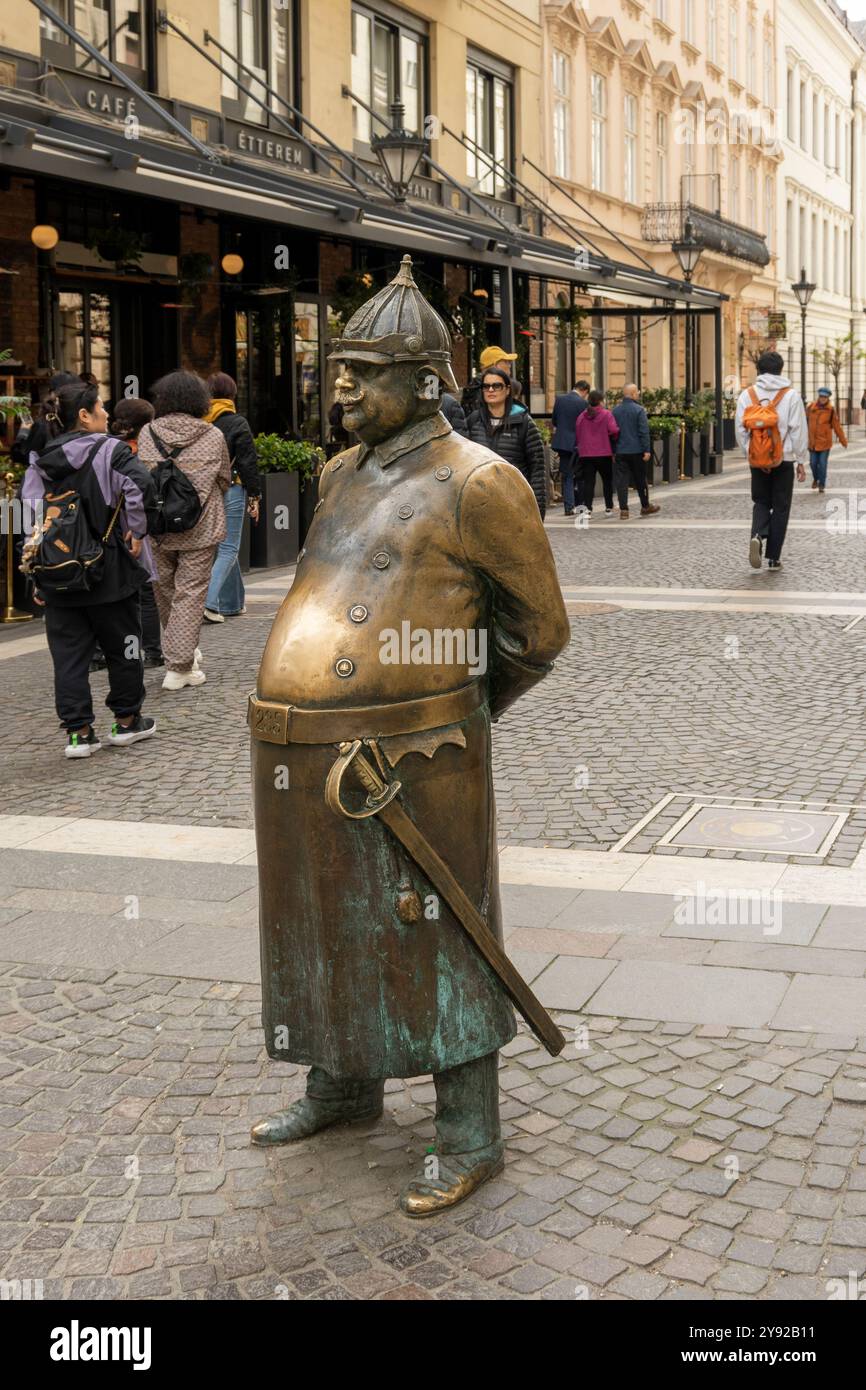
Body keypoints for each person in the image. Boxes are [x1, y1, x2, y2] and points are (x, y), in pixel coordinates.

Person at [248, 256, 570, 1216]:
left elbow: (538, 630)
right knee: (313, 919)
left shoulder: (482, 481)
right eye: (338, 366)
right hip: (302, 752)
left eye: (364, 370)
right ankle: (339, 1082)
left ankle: (469, 1129)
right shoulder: (343, 471)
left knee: (431, 930)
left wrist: (458, 711)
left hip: (418, 758)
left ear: (427, 381)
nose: (339, 384)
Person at [21, 382, 157, 758]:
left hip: (58, 574)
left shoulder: (39, 459)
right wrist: (137, 530)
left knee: (68, 655)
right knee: (124, 646)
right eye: (101, 407)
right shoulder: (110, 450)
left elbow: (28, 516)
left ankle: (79, 733)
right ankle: (127, 722)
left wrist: (34, 568)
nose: (107, 414)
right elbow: (141, 486)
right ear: (84, 415)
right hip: (108, 566)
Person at [137, 371, 230, 689]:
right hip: (200, 526)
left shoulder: (148, 432)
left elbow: (142, 477)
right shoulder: (213, 435)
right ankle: (179, 667)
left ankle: (181, 647)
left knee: (164, 589)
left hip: (158, 526)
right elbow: (224, 478)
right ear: (199, 400)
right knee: (190, 592)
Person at [735, 350, 807, 571]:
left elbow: (740, 428)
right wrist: (801, 459)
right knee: (781, 506)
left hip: (757, 460)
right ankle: (773, 557)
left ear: (759, 369)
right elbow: (798, 429)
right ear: (781, 369)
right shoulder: (791, 396)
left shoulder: (747, 394)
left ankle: (757, 534)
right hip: (783, 459)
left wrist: (751, 453)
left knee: (761, 501)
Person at [201, 373, 262, 624]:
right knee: (228, 547)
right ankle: (207, 601)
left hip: (205, 490)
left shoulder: (200, 422)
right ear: (232, 395)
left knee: (224, 546)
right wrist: (255, 496)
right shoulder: (237, 423)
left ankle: (231, 603)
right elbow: (248, 462)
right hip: (233, 488)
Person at [108, 397, 163, 669]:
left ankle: (100, 655)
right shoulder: (137, 451)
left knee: (107, 592)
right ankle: (153, 651)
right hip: (131, 526)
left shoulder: (104, 447)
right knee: (145, 590)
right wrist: (138, 530)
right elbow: (141, 490)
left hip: (105, 526)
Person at [464, 366, 547, 517]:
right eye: (486, 386)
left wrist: (537, 511)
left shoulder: (524, 423)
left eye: (497, 385)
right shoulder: (473, 421)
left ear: (507, 390)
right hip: (479, 504)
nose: (491, 390)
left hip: (514, 503)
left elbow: (537, 470)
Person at [612, 384, 660, 520]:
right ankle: (645, 506)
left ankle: (624, 510)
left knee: (622, 481)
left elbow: (612, 432)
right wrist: (647, 450)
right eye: (637, 392)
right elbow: (644, 432)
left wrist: (613, 450)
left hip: (620, 451)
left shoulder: (615, 411)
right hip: (637, 451)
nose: (638, 394)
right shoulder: (639, 410)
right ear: (633, 394)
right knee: (640, 480)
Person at [574, 389, 619, 517]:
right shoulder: (606, 414)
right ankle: (609, 507)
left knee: (589, 482)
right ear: (600, 401)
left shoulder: (582, 416)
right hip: (604, 453)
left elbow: (577, 433)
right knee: (607, 481)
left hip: (586, 454)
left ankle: (588, 508)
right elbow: (614, 430)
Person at [551, 379, 589, 515]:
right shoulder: (583, 403)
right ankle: (580, 504)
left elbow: (554, 420)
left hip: (562, 443)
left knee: (566, 475)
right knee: (579, 475)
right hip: (577, 444)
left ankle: (568, 507)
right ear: (584, 391)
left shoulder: (560, 399)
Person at [462, 345, 524, 416]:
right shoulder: (480, 392)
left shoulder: (474, 389)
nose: (509, 365)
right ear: (496, 365)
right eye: (506, 362)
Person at [806, 386, 847, 494]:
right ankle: (816, 478)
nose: (822, 398)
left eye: (825, 397)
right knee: (812, 463)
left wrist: (843, 440)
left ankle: (822, 484)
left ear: (828, 397)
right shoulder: (810, 408)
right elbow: (803, 422)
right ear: (818, 396)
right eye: (821, 396)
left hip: (825, 443)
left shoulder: (831, 410)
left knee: (823, 464)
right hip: (812, 442)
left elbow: (837, 427)